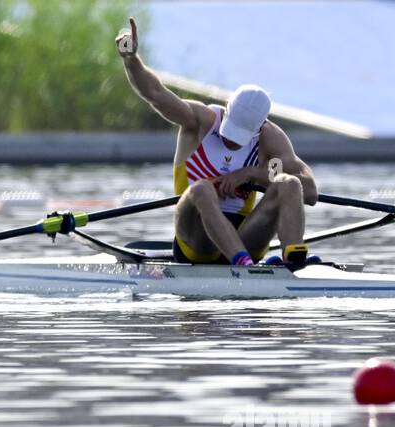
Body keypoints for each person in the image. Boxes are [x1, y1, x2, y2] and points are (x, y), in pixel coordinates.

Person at [115, 16, 317, 267]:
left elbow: (308, 192)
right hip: (196, 242)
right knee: (201, 188)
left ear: (259, 127)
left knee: (289, 183)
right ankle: (241, 264)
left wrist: (251, 174)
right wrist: (131, 60)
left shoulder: (270, 139)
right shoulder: (199, 121)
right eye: (229, 130)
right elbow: (155, 94)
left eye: (241, 136)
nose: (231, 140)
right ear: (226, 110)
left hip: (246, 236)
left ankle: (293, 258)